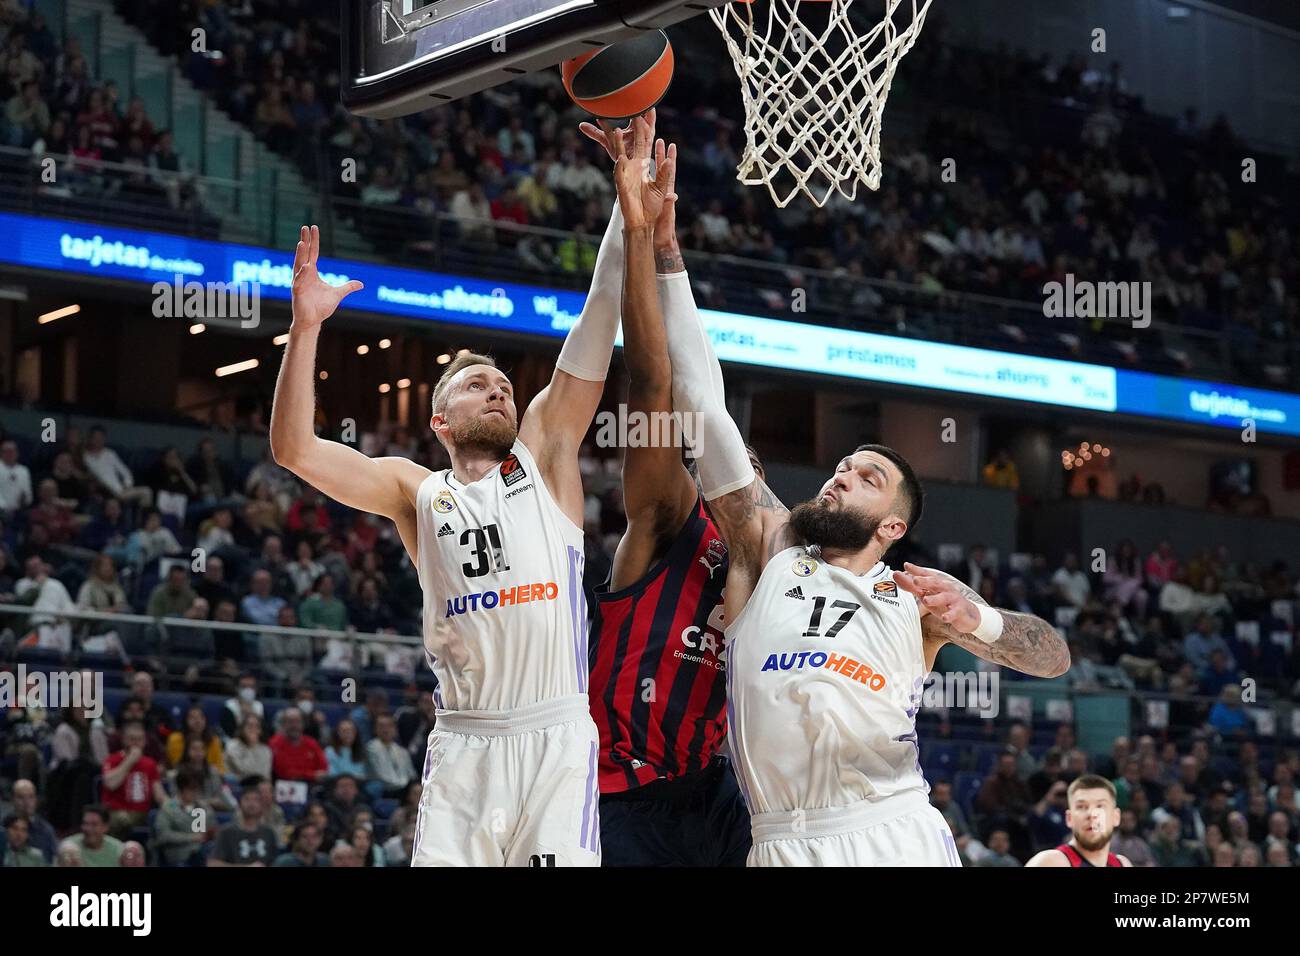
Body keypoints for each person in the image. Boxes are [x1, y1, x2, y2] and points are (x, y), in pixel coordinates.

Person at [638, 128, 1069, 866]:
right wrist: (667, 251)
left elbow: (1053, 657)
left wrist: (982, 618)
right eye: (843, 464)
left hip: (891, 828)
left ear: (894, 524)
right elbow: (702, 404)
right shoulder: (766, 545)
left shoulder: (916, 604)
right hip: (780, 841)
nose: (841, 475)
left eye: (868, 476)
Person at [267, 121, 646, 869]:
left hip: (556, 738)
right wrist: (305, 327)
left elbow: (599, 320)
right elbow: (295, 451)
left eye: (504, 384)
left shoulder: (546, 458)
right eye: (478, 385)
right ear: (440, 420)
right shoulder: (416, 490)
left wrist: (623, 202)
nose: (499, 389)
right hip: (467, 740)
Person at [588, 121, 748, 866]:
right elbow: (654, 381)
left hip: (717, 788)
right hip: (625, 791)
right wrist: (644, 237)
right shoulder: (671, 515)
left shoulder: (773, 540)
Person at [1025, 775, 1133, 866]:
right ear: (1069, 818)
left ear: (1116, 817)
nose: (1091, 814)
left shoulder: (1122, 863)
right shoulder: (1051, 861)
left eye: (1100, 806)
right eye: (1082, 807)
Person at [100, 720, 166, 838]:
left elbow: (160, 795)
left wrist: (174, 808)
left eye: (139, 739)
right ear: (123, 740)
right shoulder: (112, 760)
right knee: (121, 819)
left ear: (145, 742)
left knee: (163, 818)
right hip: (117, 812)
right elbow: (111, 784)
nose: (136, 743)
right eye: (132, 739)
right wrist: (129, 761)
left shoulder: (150, 763)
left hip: (143, 813)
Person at [153, 767, 213, 866]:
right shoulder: (168, 808)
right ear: (181, 788)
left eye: (197, 788)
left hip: (203, 852)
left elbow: (212, 829)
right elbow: (163, 836)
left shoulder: (204, 808)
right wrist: (191, 838)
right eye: (191, 788)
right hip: (178, 854)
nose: (195, 792)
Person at [208, 783, 278, 867]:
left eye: (256, 800)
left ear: (262, 805)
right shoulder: (226, 832)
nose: (251, 803)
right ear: (240, 804)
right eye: (247, 799)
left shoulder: (269, 833)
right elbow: (213, 864)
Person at [267, 707, 329, 783]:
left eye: (297, 721)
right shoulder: (274, 743)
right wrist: (312, 775)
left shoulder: (312, 743)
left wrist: (311, 775)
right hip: (283, 785)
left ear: (303, 724)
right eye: (290, 722)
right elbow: (285, 772)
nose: (294, 725)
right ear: (283, 724)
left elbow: (323, 768)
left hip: (311, 786)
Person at [364, 714, 415, 796]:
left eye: (389, 726)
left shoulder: (402, 751)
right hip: (385, 789)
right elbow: (377, 775)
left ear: (395, 729)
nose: (385, 730)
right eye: (381, 726)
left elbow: (411, 774)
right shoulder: (370, 749)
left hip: (405, 789)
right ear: (375, 729)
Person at [225, 713, 272, 780]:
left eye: (257, 726)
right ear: (242, 729)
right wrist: (251, 745)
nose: (253, 729)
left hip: (259, 786)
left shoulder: (266, 750)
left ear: (261, 731)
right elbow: (244, 770)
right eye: (250, 726)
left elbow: (265, 775)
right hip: (239, 785)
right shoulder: (232, 745)